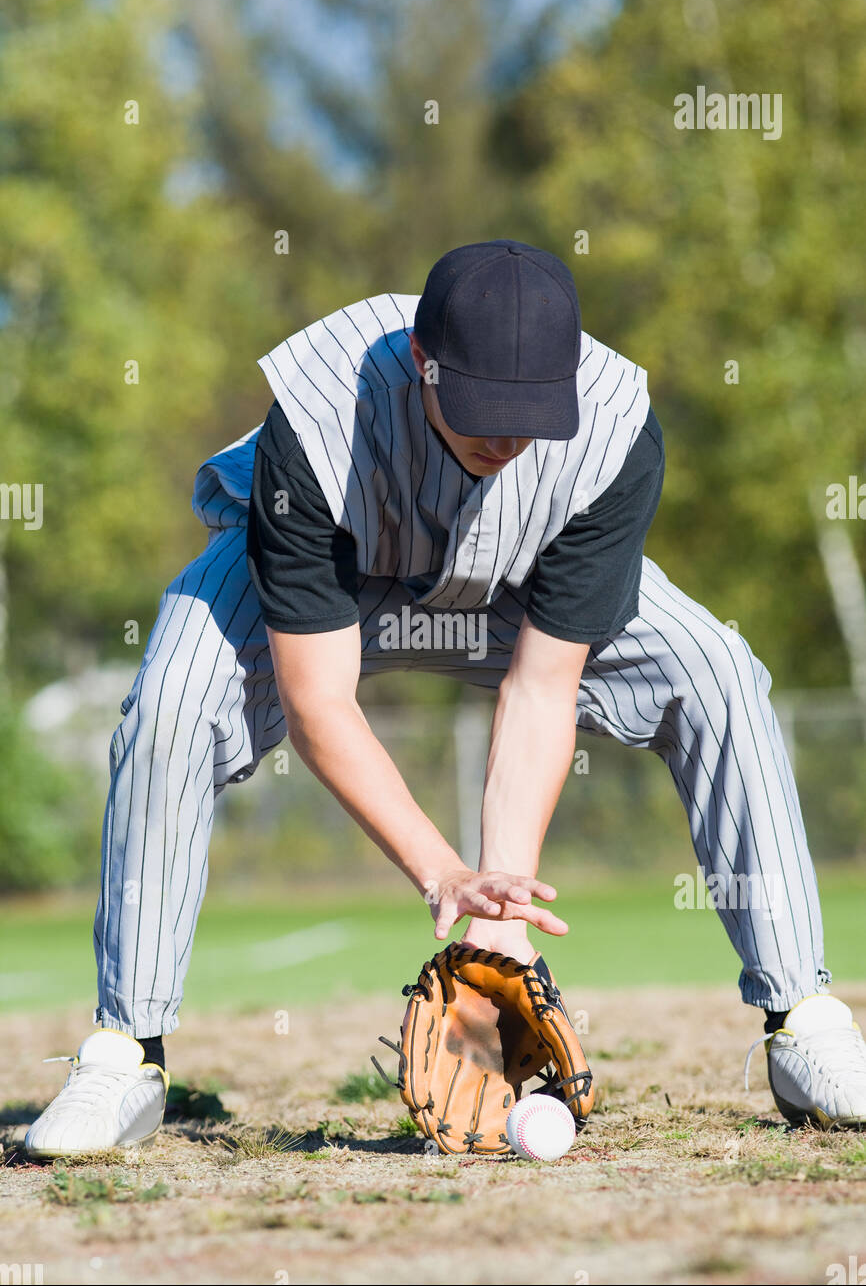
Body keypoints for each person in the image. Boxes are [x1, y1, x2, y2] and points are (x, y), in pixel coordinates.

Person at [24, 239, 866, 1158]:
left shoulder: (616, 433)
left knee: (716, 671)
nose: (505, 440)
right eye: (482, 411)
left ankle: (805, 1024)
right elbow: (320, 706)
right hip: (352, 576)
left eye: (528, 415)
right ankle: (123, 1051)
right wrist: (442, 872)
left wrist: (498, 923)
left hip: (514, 582)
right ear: (423, 362)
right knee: (174, 701)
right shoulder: (315, 418)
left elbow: (542, 687)